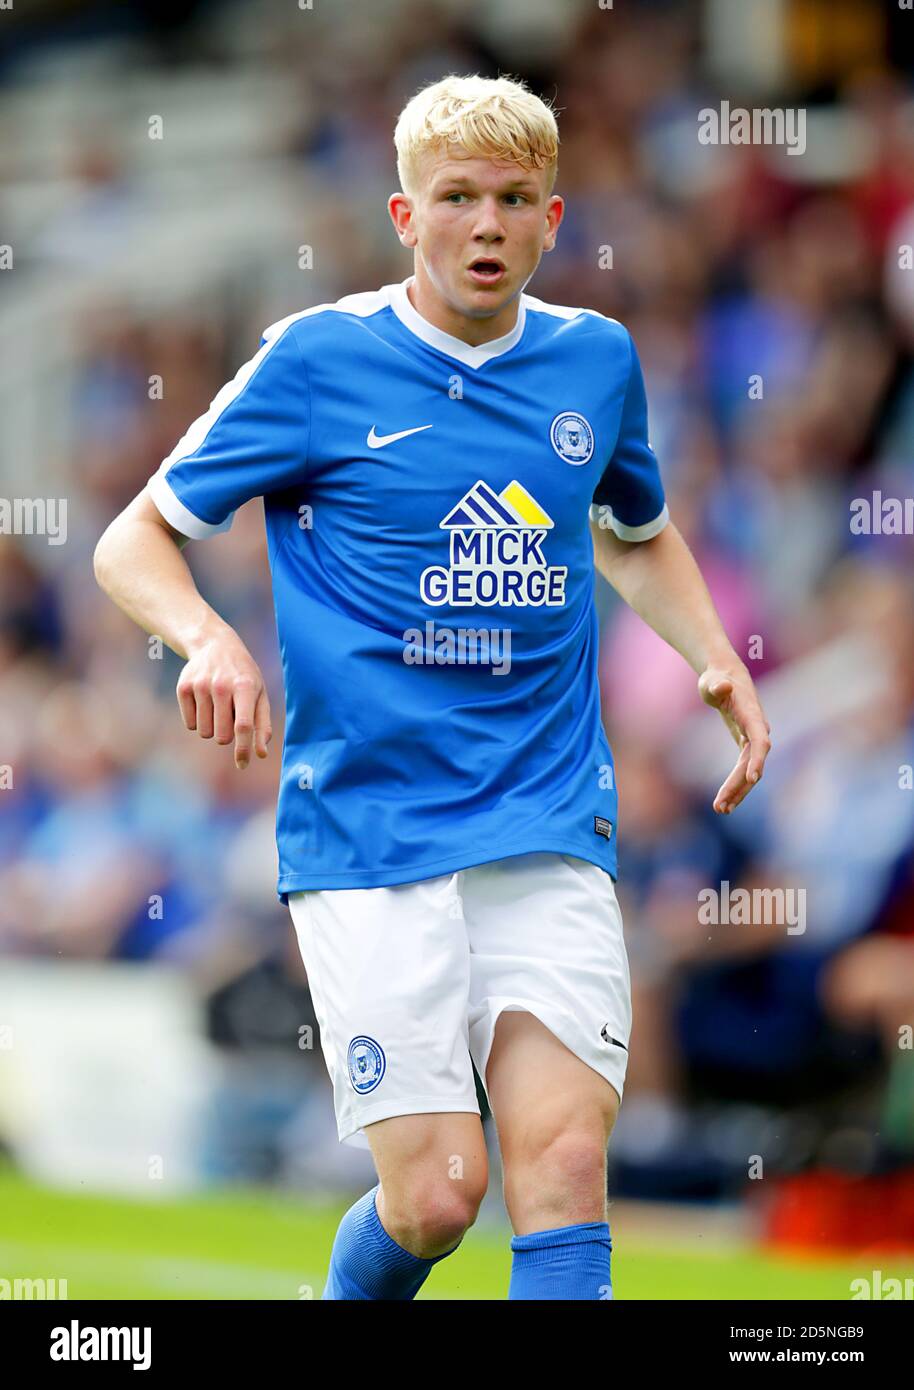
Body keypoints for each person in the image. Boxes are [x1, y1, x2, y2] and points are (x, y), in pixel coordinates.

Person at [93, 73, 771, 1300]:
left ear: (552, 220)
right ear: (405, 217)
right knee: (438, 1198)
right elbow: (133, 538)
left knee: (561, 1166)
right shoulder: (315, 363)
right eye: (456, 198)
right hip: (370, 835)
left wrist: (710, 652)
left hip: (546, 818)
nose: (487, 225)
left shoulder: (592, 362)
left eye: (514, 200)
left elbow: (632, 531)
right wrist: (204, 636)